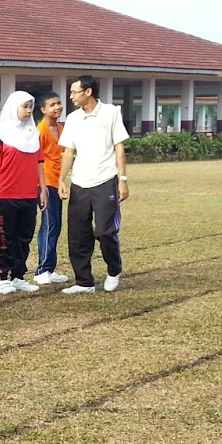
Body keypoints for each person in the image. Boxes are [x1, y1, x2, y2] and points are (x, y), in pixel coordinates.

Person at [58, 75, 129, 295]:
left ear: (88, 92)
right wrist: (62, 179)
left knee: (105, 232)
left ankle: (114, 270)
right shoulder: (73, 119)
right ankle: (84, 282)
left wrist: (123, 180)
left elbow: (119, 147)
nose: (71, 97)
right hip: (80, 182)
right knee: (78, 234)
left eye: (74, 92)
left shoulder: (110, 112)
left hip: (105, 180)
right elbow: (68, 151)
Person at [0, 91, 46, 295]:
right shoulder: (1, 135)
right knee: (5, 238)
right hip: (6, 195)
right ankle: (2, 277)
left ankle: (19, 276)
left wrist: (43, 189)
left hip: (29, 195)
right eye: (25, 106)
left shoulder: (33, 134)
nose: (29, 110)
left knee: (24, 237)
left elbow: (39, 163)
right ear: (14, 108)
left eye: (31, 106)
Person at [34, 93, 70, 284]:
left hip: (58, 182)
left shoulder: (62, 129)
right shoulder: (39, 131)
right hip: (45, 183)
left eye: (59, 103)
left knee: (56, 225)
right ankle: (42, 270)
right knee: (49, 224)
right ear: (43, 110)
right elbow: (35, 160)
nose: (57, 107)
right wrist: (40, 187)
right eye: (52, 105)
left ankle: (50, 268)